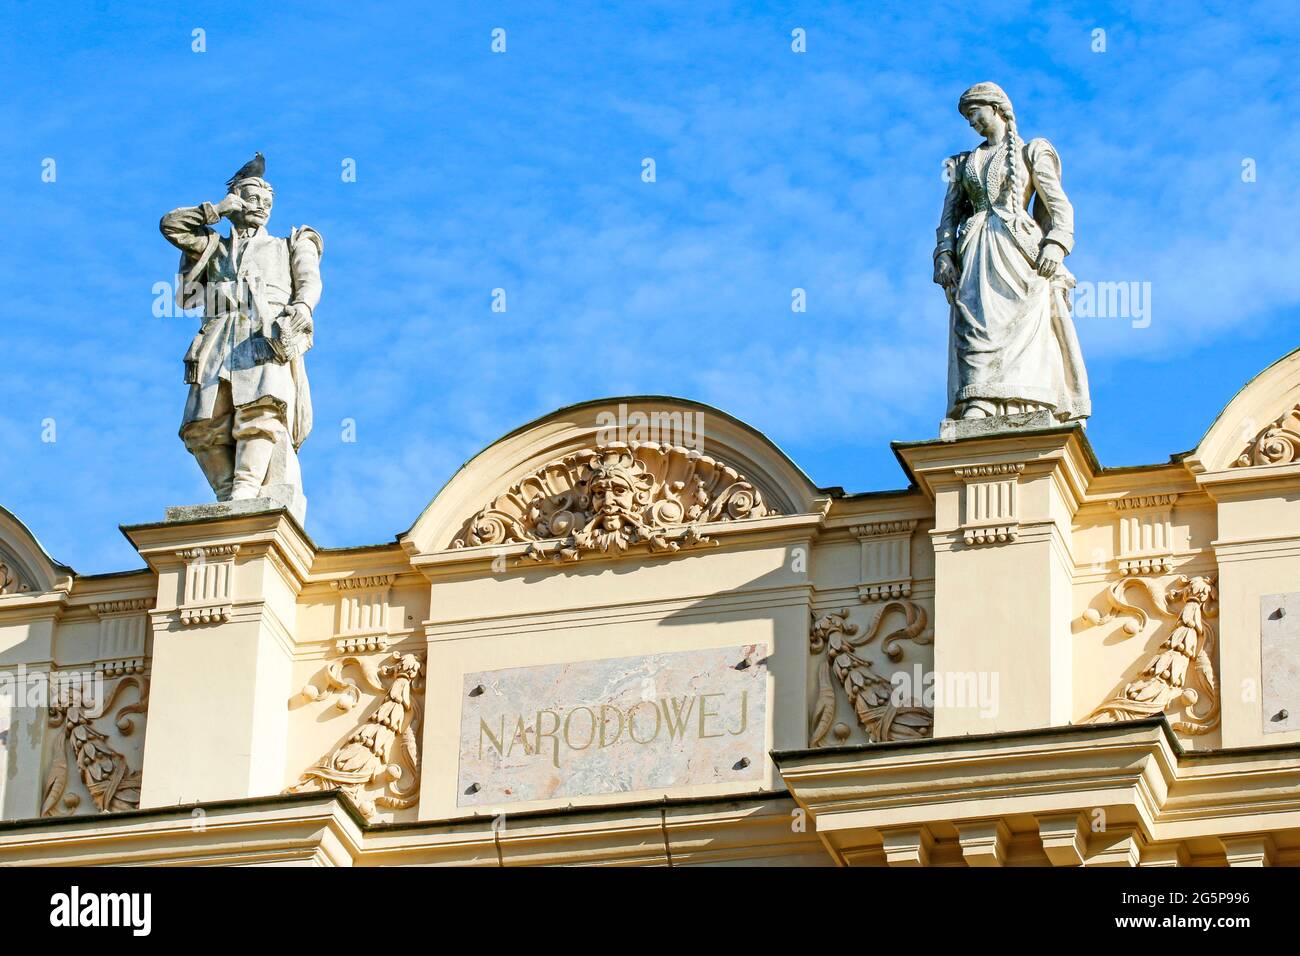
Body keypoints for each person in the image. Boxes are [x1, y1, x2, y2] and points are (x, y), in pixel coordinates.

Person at [160, 158, 322, 507]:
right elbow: (171, 226)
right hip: (219, 332)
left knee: (260, 408)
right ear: (235, 199)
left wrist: (302, 309)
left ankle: (245, 488)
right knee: (201, 425)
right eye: (252, 198)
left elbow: (309, 282)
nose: (262, 206)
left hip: (264, 331)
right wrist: (215, 210)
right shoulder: (212, 246)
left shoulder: (290, 243)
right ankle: (226, 492)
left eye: (267, 202)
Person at [933, 82, 1089, 423]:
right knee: (974, 324)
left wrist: (1056, 244)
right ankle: (979, 400)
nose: (971, 123)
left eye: (974, 114)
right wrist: (943, 253)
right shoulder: (962, 163)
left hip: (1019, 251)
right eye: (967, 118)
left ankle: (1028, 399)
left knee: (1022, 326)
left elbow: (1060, 208)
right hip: (975, 250)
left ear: (996, 109)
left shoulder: (1031, 152)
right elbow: (948, 217)